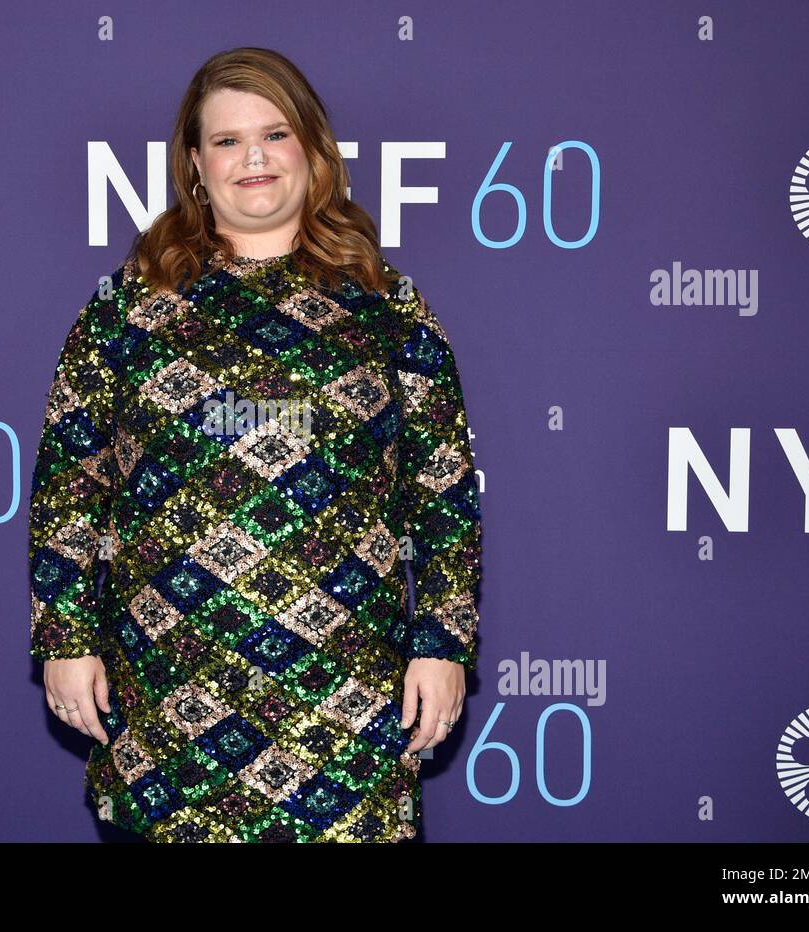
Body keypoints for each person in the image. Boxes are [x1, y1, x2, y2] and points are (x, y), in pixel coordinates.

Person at [28, 47, 483, 842]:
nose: (255, 158)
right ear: (196, 165)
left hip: (347, 697)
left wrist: (443, 643)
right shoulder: (130, 306)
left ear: (312, 150)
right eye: (228, 141)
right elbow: (72, 481)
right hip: (169, 689)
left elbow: (442, 489)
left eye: (274, 133)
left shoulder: (387, 306)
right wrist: (66, 638)